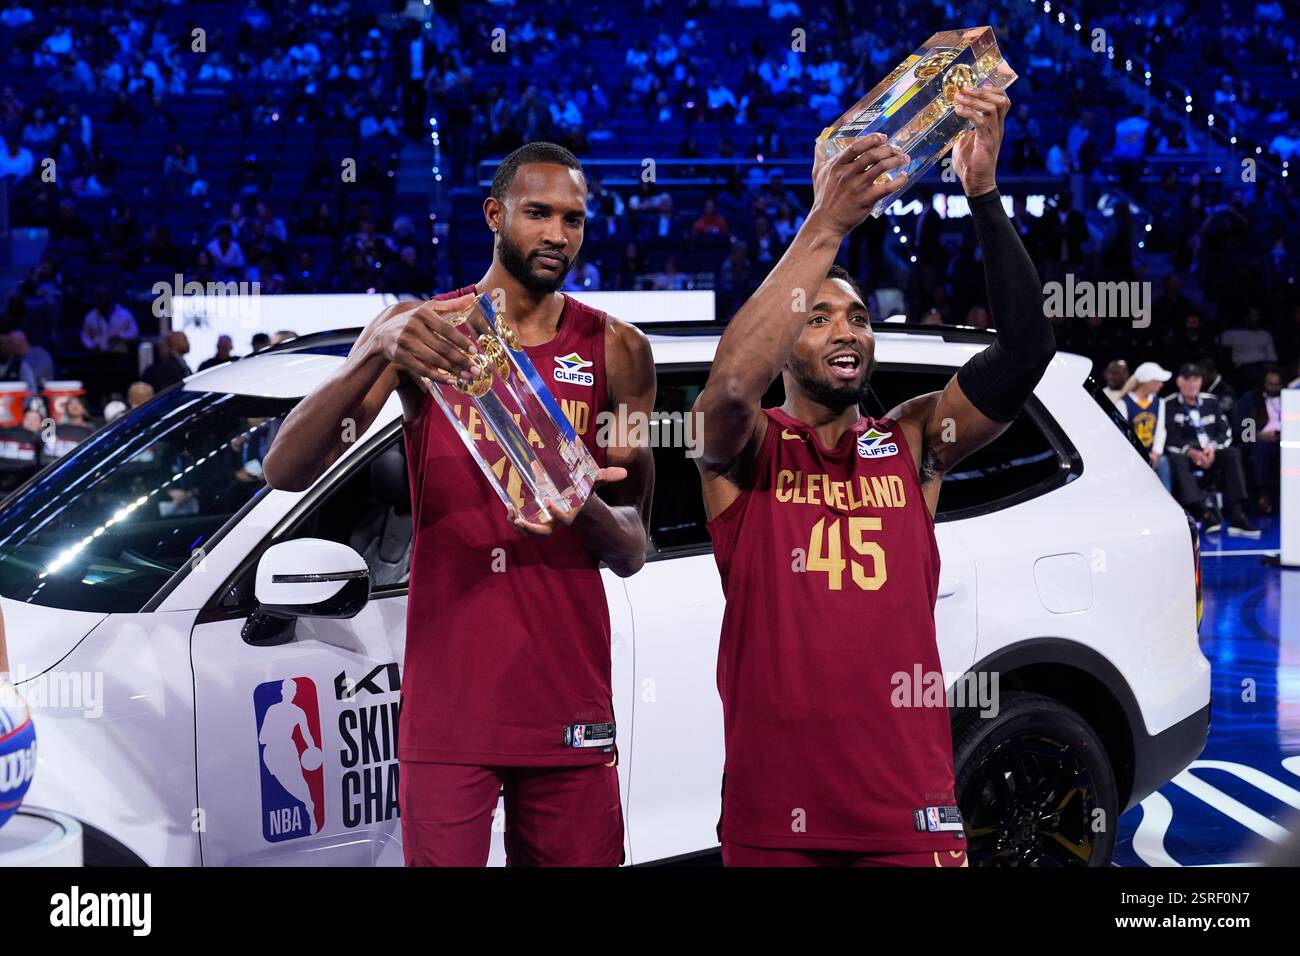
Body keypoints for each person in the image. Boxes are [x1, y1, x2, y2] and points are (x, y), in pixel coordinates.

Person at [263, 141, 656, 867]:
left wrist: (577, 500)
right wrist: (375, 346)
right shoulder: (428, 333)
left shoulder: (619, 350)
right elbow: (285, 468)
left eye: (573, 219)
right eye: (538, 213)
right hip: (451, 707)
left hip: (569, 700)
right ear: (494, 214)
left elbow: (633, 547)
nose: (557, 235)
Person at [694, 86, 1048, 866]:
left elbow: (1025, 353)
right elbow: (725, 388)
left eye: (857, 316)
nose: (846, 329)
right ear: (785, 341)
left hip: (906, 812)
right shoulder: (743, 453)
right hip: (774, 818)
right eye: (816, 317)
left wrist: (983, 196)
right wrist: (828, 222)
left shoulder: (913, 441)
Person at [1164, 362, 1258, 536]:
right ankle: (1204, 513)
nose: (1191, 384)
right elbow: (1168, 436)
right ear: (1179, 382)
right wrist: (1190, 451)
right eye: (1187, 380)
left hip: (1211, 452)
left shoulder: (1211, 401)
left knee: (1233, 454)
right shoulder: (1168, 404)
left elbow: (1225, 431)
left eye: (1195, 379)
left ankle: (1238, 515)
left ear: (1201, 381)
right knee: (1176, 460)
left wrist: (1212, 448)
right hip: (1187, 455)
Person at [1232, 366, 1284, 514]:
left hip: (1285, 441)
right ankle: (1263, 494)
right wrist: (1260, 434)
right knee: (1261, 449)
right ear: (1263, 383)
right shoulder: (1250, 399)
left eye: (1277, 385)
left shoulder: (1289, 397)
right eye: (1270, 384)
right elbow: (1244, 432)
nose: (1273, 388)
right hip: (1259, 440)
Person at [1117, 362, 1172, 491]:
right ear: (1148, 382)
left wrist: (1156, 453)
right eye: (1158, 381)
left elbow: (1160, 431)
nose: (1161, 384)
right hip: (1132, 455)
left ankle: (1167, 501)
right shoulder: (1124, 403)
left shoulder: (1159, 403)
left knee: (1163, 462)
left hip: (1153, 455)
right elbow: (1123, 435)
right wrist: (1141, 455)